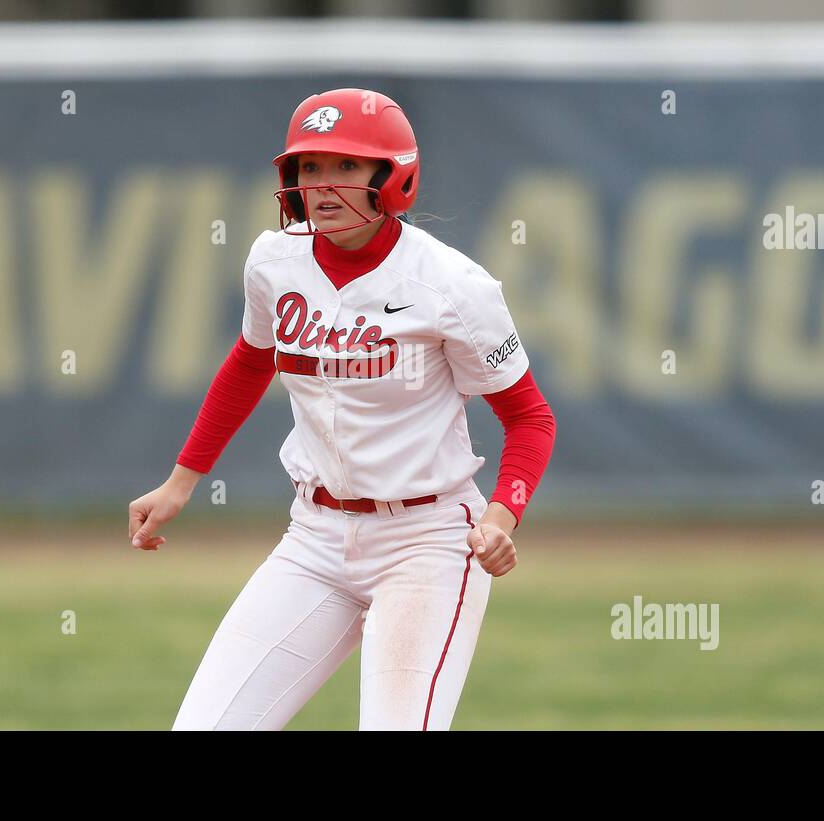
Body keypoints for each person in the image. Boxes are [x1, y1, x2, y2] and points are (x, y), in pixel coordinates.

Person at [127, 88, 556, 730]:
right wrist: (182, 480)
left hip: (427, 540)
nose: (322, 185)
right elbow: (250, 362)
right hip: (314, 535)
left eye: (346, 166)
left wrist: (502, 515)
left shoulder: (451, 286)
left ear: (394, 177)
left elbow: (529, 418)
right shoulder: (275, 260)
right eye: (309, 166)